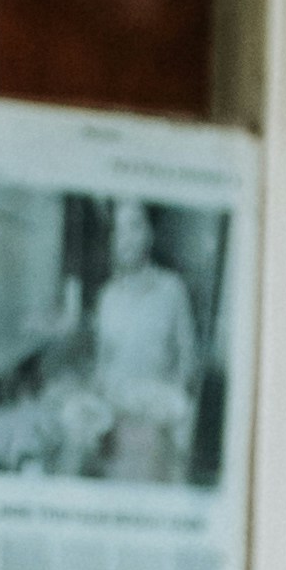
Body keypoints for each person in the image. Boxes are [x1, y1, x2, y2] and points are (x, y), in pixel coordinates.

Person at [88, 195, 201, 478]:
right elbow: (102, 367)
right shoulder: (107, 298)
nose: (125, 238)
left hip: (156, 438)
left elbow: (189, 362)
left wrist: (170, 412)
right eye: (118, 229)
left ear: (150, 233)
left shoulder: (172, 290)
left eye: (134, 226)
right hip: (113, 435)